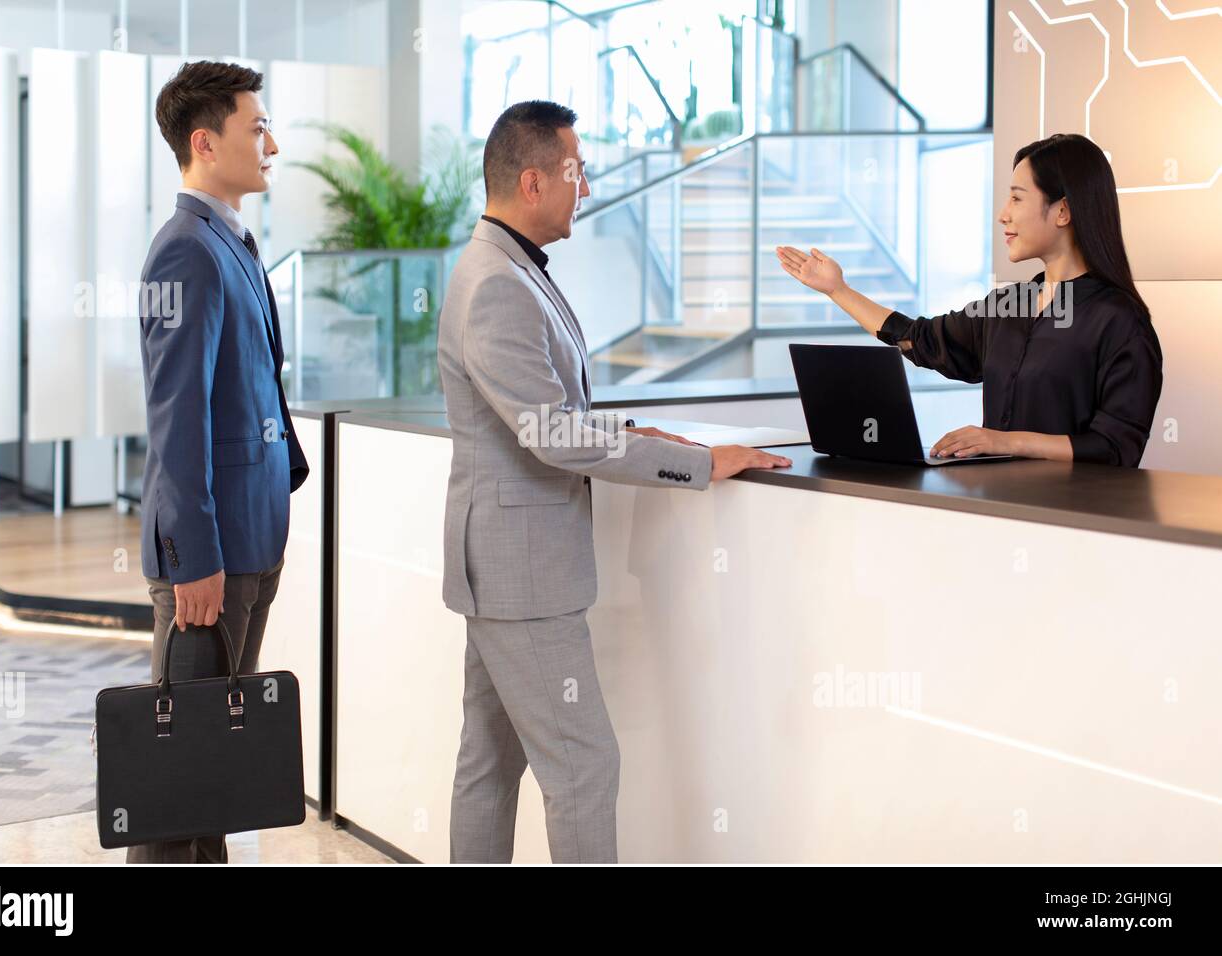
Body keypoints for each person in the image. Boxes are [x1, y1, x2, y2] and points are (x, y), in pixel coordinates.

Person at [437, 100, 791, 864]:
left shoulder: (499, 269)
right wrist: (697, 463)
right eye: (577, 170)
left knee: (490, 765)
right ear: (533, 181)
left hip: (501, 567)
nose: (588, 187)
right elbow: (552, 434)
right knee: (584, 766)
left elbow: (548, 413)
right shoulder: (498, 283)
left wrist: (632, 435)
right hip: (521, 574)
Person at [129, 60, 309, 863]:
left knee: (214, 768)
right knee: (179, 779)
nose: (271, 141)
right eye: (256, 126)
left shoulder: (227, 241)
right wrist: (192, 558)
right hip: (210, 559)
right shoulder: (185, 253)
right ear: (205, 142)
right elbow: (176, 420)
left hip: (250, 538)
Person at [776, 132, 1163, 466]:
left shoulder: (1121, 321)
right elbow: (919, 339)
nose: (1002, 215)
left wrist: (1005, 441)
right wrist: (837, 290)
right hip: (999, 510)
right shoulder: (1010, 305)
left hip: (1073, 525)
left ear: (1062, 211)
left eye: (1016, 199)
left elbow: (1116, 447)